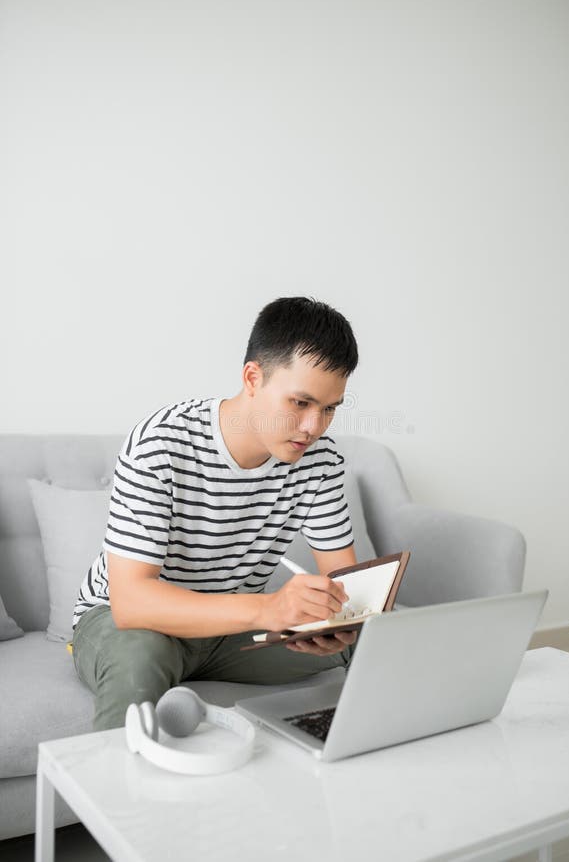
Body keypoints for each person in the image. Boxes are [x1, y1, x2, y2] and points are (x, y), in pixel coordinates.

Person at [71, 295, 360, 730]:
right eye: (300, 403)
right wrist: (267, 610)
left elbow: (349, 588)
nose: (313, 428)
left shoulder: (321, 460)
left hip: (231, 633)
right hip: (134, 623)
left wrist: (341, 620)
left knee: (368, 634)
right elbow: (131, 603)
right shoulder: (160, 444)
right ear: (252, 378)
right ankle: (117, 790)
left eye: (329, 408)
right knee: (141, 657)